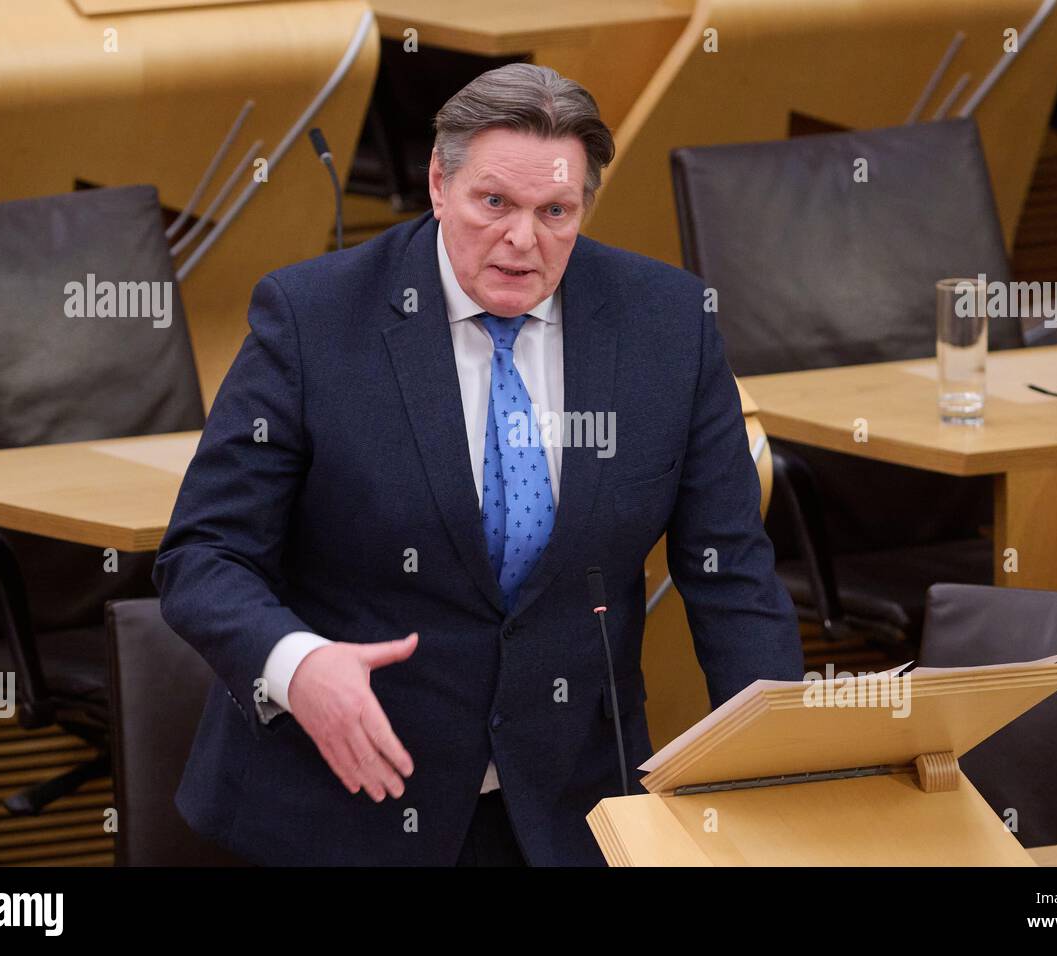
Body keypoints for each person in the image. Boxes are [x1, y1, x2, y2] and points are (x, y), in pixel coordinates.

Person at [153, 63, 802, 866]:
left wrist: (781, 775)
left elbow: (730, 574)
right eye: (493, 203)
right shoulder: (313, 320)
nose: (522, 241)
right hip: (343, 808)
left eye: (555, 211)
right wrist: (298, 664)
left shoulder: (668, 324)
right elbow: (203, 556)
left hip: (569, 812)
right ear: (438, 181)